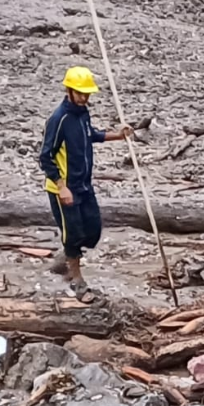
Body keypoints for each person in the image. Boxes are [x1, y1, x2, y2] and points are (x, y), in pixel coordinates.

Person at [38, 66, 132, 295]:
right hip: (65, 188)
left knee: (92, 229)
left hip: (84, 184)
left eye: (87, 94)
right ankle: (76, 277)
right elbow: (45, 156)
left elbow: (91, 135)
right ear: (69, 91)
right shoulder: (59, 119)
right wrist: (62, 187)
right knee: (73, 233)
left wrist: (117, 136)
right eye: (80, 93)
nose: (85, 98)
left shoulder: (82, 114)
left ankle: (65, 259)